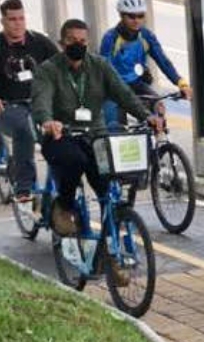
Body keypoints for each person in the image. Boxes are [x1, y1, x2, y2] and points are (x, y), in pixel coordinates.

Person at [32, 19, 162, 236]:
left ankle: (110, 244)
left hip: (96, 135)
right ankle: (64, 206)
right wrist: (48, 121)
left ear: (88, 42)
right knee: (75, 161)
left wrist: (146, 115)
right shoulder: (48, 70)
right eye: (71, 40)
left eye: (82, 41)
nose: (77, 45)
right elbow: (41, 100)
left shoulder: (100, 66)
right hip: (61, 135)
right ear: (62, 42)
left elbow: (124, 94)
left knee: (108, 184)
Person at [0, 0, 59, 212]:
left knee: (62, 134)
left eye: (21, 18)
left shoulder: (39, 41)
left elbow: (64, 65)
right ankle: (24, 187)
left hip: (39, 105)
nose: (18, 24)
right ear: (3, 21)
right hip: (6, 107)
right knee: (24, 128)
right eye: (12, 19)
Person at [100, 0, 191, 129]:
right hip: (114, 88)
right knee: (114, 127)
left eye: (140, 16)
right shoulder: (110, 38)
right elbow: (105, 69)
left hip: (136, 84)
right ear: (121, 15)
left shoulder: (146, 36)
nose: (136, 20)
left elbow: (163, 61)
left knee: (158, 108)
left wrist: (181, 83)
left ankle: (159, 145)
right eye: (131, 16)